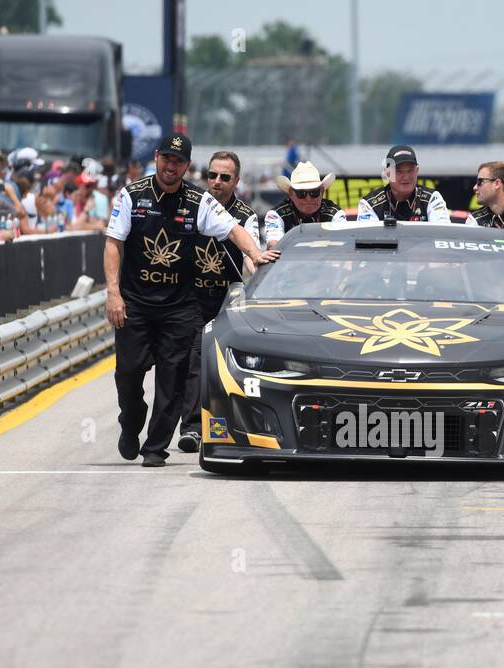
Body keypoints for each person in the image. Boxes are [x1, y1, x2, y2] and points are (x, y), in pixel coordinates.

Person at [105, 134, 278, 466]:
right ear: (157, 158)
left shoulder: (199, 200)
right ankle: (130, 423)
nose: (171, 166)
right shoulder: (132, 195)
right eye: (166, 159)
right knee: (127, 374)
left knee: (174, 379)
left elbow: (234, 229)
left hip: (180, 306)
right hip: (136, 303)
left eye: (178, 162)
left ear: (186, 166)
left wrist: (254, 253)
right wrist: (113, 294)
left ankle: (155, 447)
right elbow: (113, 243)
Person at [171, 150, 262, 454]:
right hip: (193, 298)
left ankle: (242, 424)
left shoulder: (246, 215)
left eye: (225, 177)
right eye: (212, 175)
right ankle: (193, 428)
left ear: (236, 180)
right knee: (194, 359)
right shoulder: (192, 206)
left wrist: (259, 270)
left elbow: (252, 258)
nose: (217, 182)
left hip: (230, 300)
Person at [262, 162, 345, 249]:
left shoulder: (335, 213)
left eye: (314, 192)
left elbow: (343, 246)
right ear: (291, 193)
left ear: (322, 192)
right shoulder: (276, 215)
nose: (308, 199)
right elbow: (274, 246)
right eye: (301, 193)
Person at [357, 145, 449, 223]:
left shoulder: (432, 199)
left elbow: (444, 234)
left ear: (417, 171)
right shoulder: (369, 204)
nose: (406, 177)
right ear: (388, 173)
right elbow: (367, 241)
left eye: (410, 171)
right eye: (399, 171)